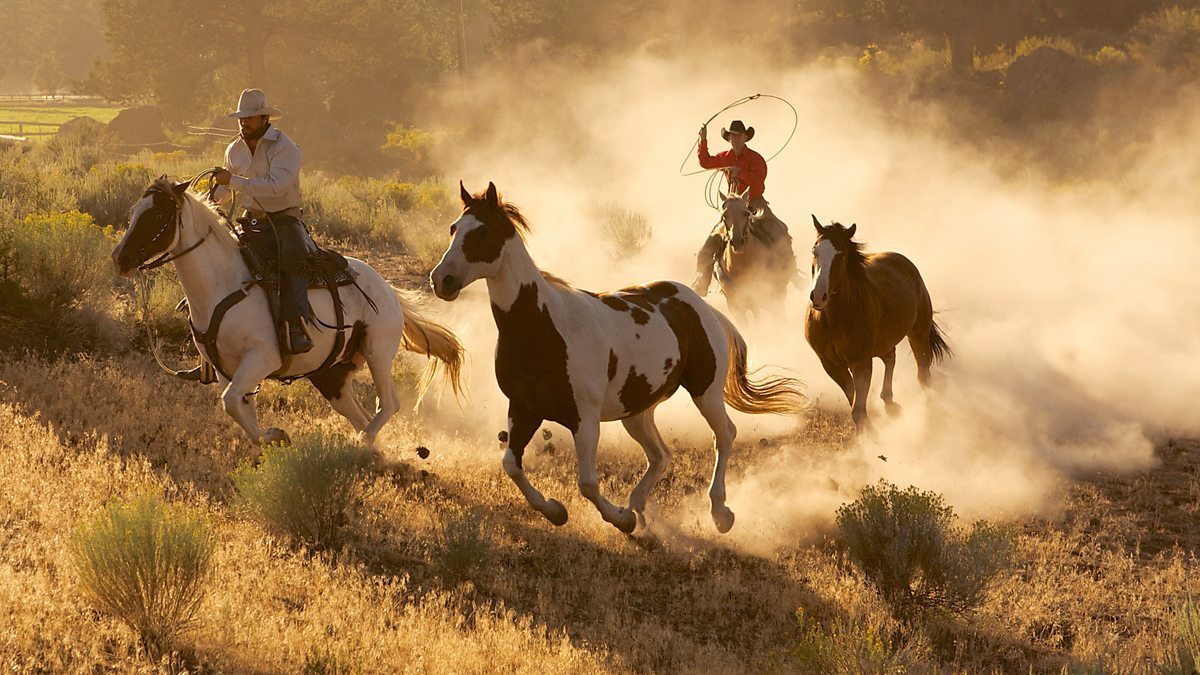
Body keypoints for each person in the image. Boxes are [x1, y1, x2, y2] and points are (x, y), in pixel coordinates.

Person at [177, 88, 315, 382]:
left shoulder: (286, 147)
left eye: (250, 118)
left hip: (284, 221)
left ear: (265, 117)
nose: (244, 123)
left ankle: (296, 326)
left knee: (293, 259)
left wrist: (234, 181)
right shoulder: (234, 150)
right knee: (214, 263)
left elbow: (277, 185)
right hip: (252, 222)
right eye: (241, 118)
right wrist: (213, 197)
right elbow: (228, 191)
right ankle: (208, 358)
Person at [692, 119, 791, 296]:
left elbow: (759, 185)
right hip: (732, 207)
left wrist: (741, 172)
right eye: (732, 136)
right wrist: (703, 140)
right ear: (728, 138)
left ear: (745, 137)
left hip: (756, 204)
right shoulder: (725, 157)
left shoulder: (756, 159)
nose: (735, 139)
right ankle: (703, 279)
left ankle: (791, 272)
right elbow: (705, 162)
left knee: (779, 231)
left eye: (738, 136)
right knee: (710, 243)